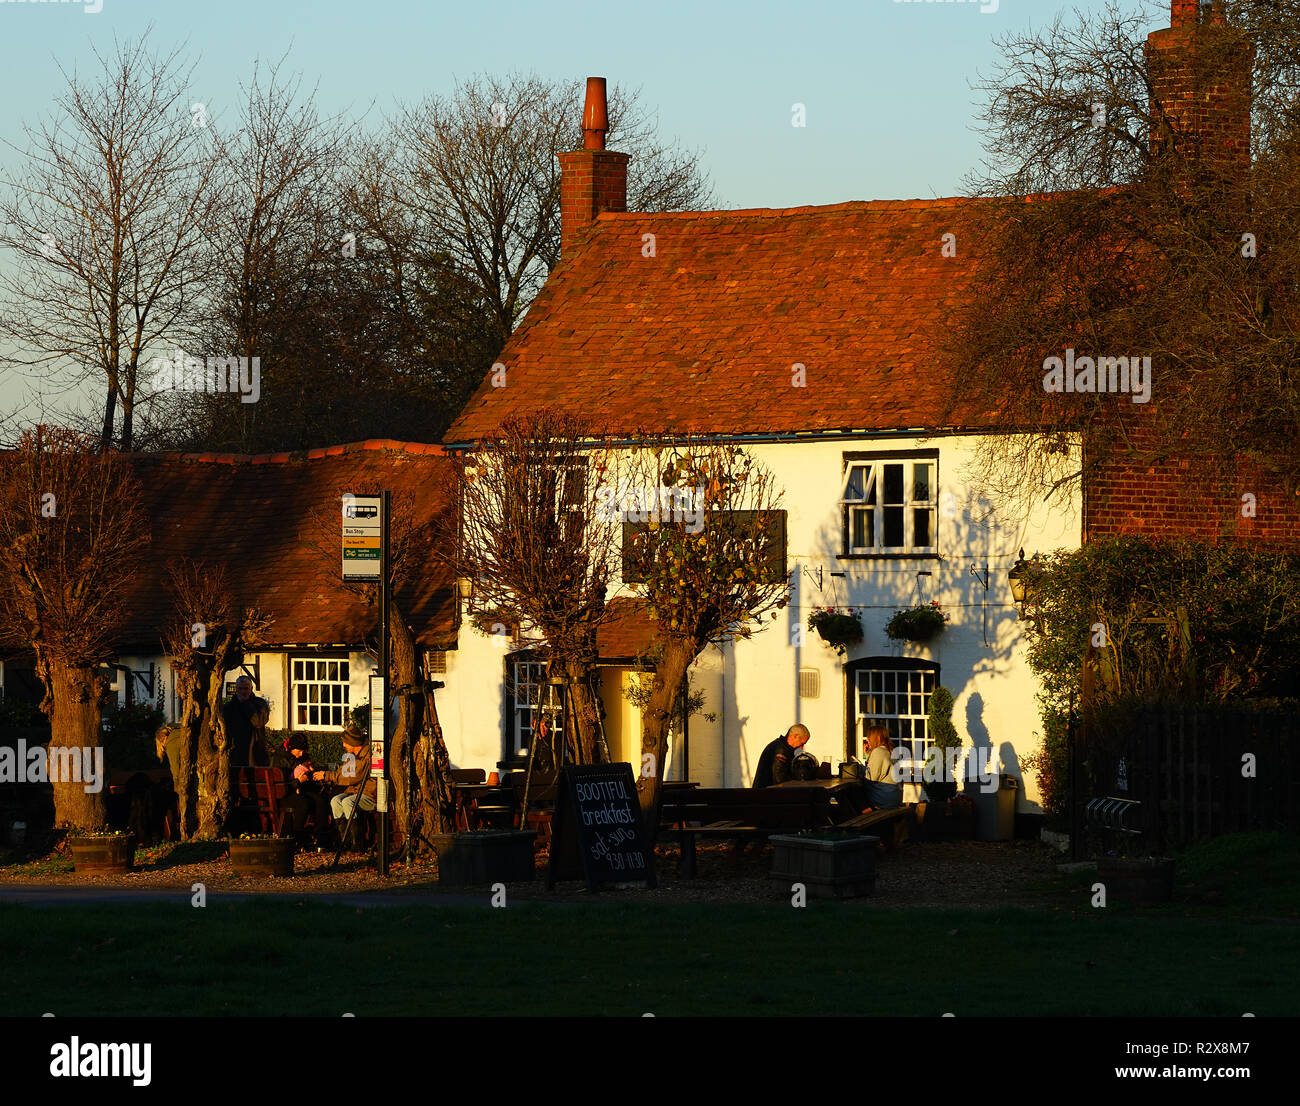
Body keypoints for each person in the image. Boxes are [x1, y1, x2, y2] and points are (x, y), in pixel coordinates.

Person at [311, 723, 376, 827]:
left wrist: (327, 776)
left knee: (347, 802)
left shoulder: (367, 756)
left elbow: (352, 777)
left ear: (353, 743)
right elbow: (341, 773)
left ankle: (357, 842)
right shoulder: (351, 756)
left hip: (369, 794)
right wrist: (324, 776)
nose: (343, 745)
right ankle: (344, 839)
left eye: (345, 742)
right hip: (354, 792)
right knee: (335, 801)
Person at [222, 676, 270, 771]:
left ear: (251, 689)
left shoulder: (259, 704)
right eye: (240, 688)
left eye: (246, 688)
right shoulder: (229, 707)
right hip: (235, 751)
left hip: (255, 752)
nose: (243, 692)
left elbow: (259, 722)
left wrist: (246, 704)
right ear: (236, 689)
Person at [861, 723, 903, 811]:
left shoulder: (878, 752)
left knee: (852, 795)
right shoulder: (890, 751)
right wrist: (868, 754)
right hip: (893, 798)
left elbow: (871, 777)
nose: (867, 740)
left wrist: (859, 769)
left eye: (869, 737)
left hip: (883, 800)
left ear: (878, 737)